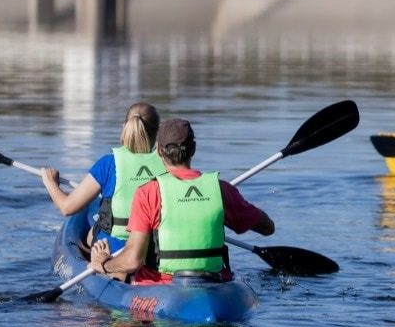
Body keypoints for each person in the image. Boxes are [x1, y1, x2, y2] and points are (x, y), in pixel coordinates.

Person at [88, 118, 275, 285]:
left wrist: (103, 263)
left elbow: (132, 261)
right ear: (194, 148)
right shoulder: (221, 189)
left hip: (162, 287)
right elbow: (268, 228)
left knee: (118, 278)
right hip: (215, 284)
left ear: (159, 151)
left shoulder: (148, 193)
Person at [41, 102, 163, 251]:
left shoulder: (108, 164)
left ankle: (92, 258)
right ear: (157, 132)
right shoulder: (168, 164)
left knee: (92, 233)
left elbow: (66, 208)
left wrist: (50, 182)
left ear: (124, 126)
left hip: (114, 249)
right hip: (155, 249)